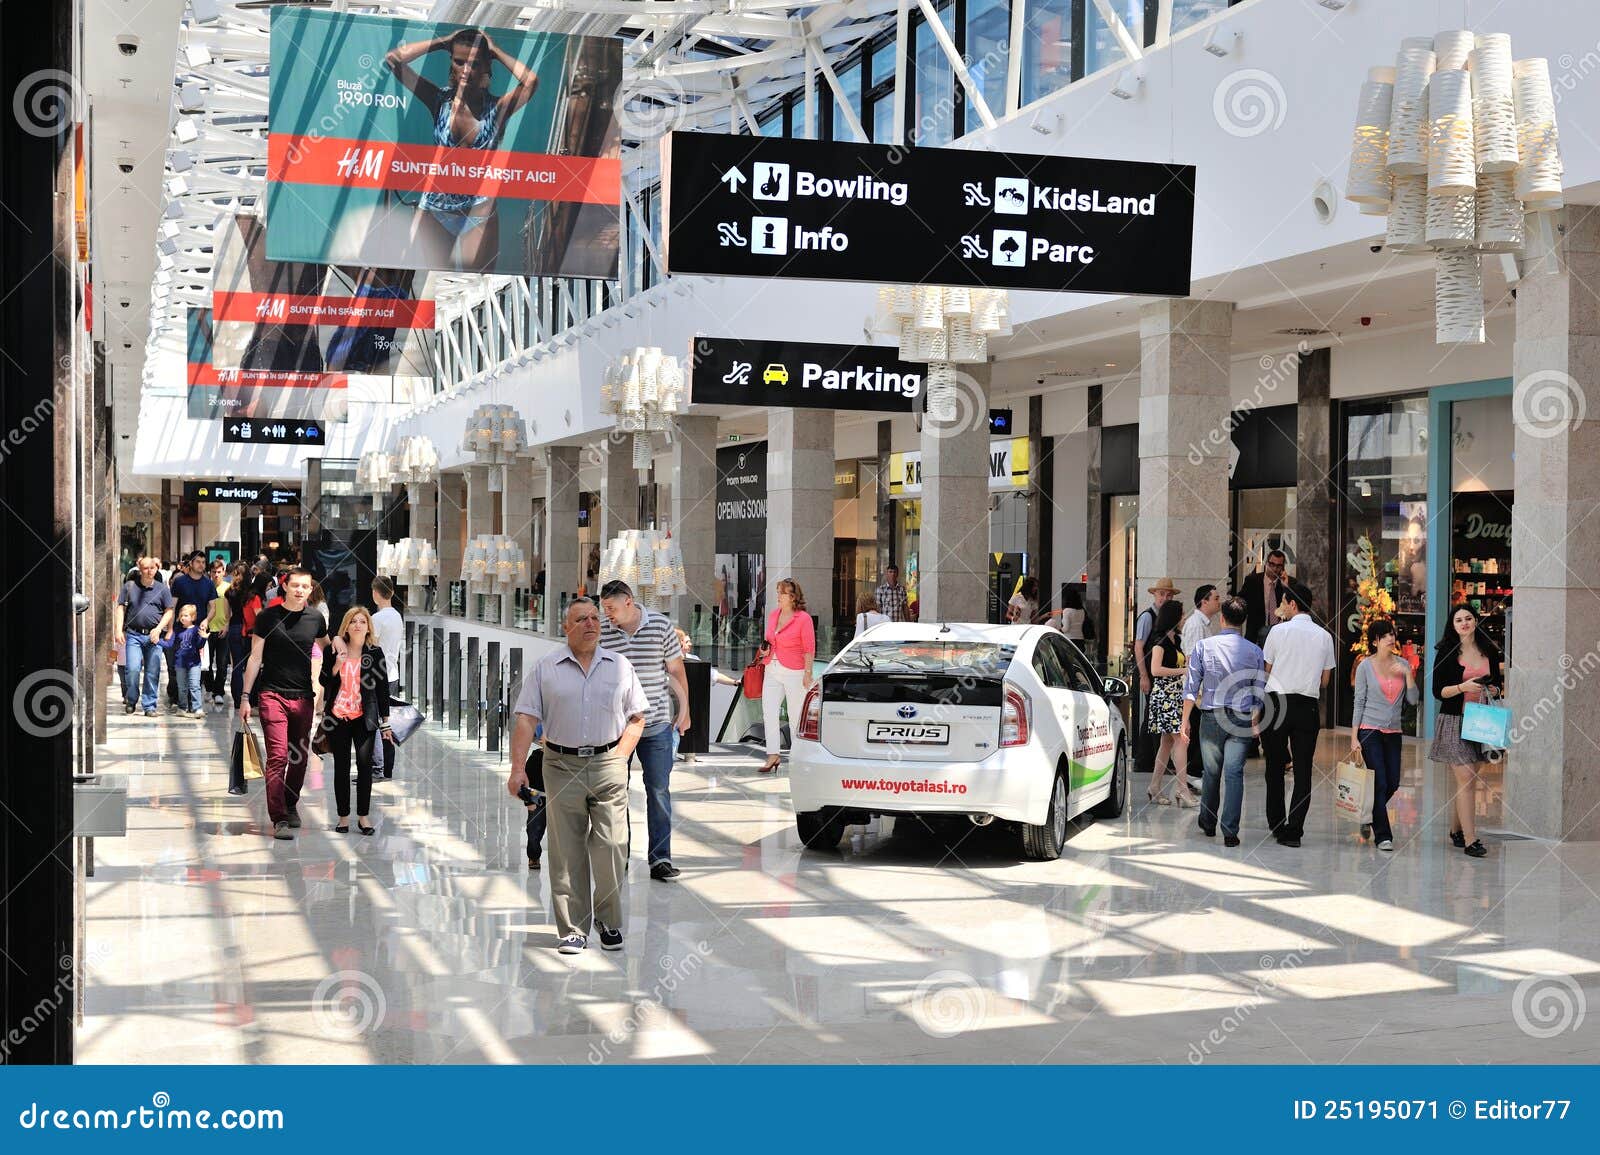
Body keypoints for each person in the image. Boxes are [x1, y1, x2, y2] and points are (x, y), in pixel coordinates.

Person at [506, 598, 648, 954]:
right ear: (565, 627)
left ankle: (608, 919)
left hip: (608, 764)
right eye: (581, 619)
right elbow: (525, 718)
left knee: (613, 845)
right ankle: (572, 928)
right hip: (560, 764)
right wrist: (518, 768)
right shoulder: (546, 668)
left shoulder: (620, 665)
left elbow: (637, 717)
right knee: (566, 849)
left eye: (595, 618)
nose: (590, 624)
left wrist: (620, 757)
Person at [599, 580, 692, 882]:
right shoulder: (601, 629)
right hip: (617, 728)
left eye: (611, 608)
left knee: (659, 791)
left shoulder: (661, 627)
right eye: (604, 609)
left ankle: (660, 859)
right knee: (616, 792)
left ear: (628, 602)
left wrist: (685, 711)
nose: (607, 614)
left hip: (657, 724)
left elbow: (677, 672)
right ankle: (619, 857)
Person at [238, 569, 334, 841]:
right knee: (279, 756)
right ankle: (278, 816)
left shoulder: (315, 618)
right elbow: (255, 659)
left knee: (300, 757)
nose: (300, 590)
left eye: (305, 586)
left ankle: (291, 803)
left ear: (311, 589)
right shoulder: (268, 617)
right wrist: (246, 697)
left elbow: (327, 648)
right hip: (272, 694)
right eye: (295, 585)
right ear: (285, 587)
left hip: (303, 696)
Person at [1179, 596, 1265, 847]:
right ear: (1244, 621)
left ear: (1222, 618)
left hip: (1211, 716)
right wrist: (1255, 719)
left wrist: (1185, 720)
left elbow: (1191, 687)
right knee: (1234, 773)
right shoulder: (1255, 651)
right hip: (1240, 718)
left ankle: (1208, 821)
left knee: (1212, 772)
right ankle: (1230, 831)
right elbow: (1258, 691)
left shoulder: (1204, 647)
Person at [1260, 580, 1336, 848]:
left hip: (1276, 704)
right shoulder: (1325, 637)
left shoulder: (1277, 633)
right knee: (1303, 770)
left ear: (1293, 604)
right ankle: (1295, 830)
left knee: (1274, 767)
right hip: (1307, 707)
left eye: (1283, 603)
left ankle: (1276, 823)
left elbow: (1266, 671)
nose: (1282, 608)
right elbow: (1325, 681)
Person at [1429, 604, 1502, 859]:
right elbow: (1438, 691)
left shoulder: (1489, 650)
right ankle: (1472, 841)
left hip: (1481, 721)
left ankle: (1456, 830)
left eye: (1468, 618)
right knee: (1468, 779)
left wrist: (1493, 691)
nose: (1464, 623)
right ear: (1453, 625)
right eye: (1458, 619)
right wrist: (1463, 687)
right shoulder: (1446, 652)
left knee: (1466, 781)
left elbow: (1496, 685)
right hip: (1454, 720)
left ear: (1475, 621)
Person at [316, 607, 391, 836]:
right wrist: (337, 665)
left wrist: (385, 723)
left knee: (365, 767)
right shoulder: (335, 649)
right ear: (346, 626)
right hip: (338, 717)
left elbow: (382, 688)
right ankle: (343, 817)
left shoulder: (375, 653)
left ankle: (364, 817)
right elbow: (323, 680)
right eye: (353, 621)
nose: (358, 625)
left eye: (362, 621)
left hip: (364, 717)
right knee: (341, 768)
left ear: (368, 626)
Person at [1351, 619, 1419, 853]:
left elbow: (1412, 700)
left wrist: (1408, 675)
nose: (1391, 638)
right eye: (1385, 635)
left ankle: (1367, 813)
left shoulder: (1402, 664)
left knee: (1392, 782)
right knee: (1379, 781)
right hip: (1370, 730)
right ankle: (1383, 836)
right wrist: (1353, 736)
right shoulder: (1364, 667)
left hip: (1394, 731)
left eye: (1392, 634)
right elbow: (1358, 702)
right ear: (1375, 641)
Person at [760, 578, 816, 774]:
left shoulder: (803, 619)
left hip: (795, 671)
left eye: (782, 593)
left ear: (792, 597)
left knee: (795, 717)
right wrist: (765, 650)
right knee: (769, 712)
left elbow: (809, 649)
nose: (779, 596)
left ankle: (797, 757)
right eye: (778, 592)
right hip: (772, 668)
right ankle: (773, 754)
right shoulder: (774, 615)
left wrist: (808, 673)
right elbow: (769, 640)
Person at [1145, 600, 1197, 807]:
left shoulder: (1175, 640)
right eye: (1182, 614)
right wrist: (1183, 670)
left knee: (1167, 743)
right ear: (1174, 617)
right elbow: (1155, 670)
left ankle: (1155, 786)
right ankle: (1182, 789)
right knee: (1181, 740)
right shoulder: (1159, 642)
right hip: (1165, 695)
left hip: (1174, 695)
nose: (1184, 618)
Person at [114, 557, 176, 717]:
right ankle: (131, 699)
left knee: (152, 671)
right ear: (139, 569)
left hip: (154, 636)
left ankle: (149, 705)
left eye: (152, 568)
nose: (149, 571)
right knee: (133, 669)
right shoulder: (129, 587)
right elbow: (120, 608)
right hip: (134, 634)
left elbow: (169, 611)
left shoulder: (163, 589)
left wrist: (160, 629)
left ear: (157, 569)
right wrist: (118, 629)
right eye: (146, 568)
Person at [1133, 578, 1180, 775]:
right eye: (1162, 594)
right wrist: (1144, 675)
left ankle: (1146, 760)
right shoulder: (1147, 617)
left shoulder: (1167, 618)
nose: (1165, 598)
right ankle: (1147, 760)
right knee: (1153, 718)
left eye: (1168, 595)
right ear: (1155, 595)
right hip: (1150, 671)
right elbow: (1138, 646)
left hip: (1158, 673)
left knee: (1151, 717)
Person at [1181, 584, 1221, 783]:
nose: (1218, 601)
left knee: (1201, 731)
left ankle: (1195, 772)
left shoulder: (1204, 624)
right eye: (1215, 598)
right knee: (1198, 731)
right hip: (1198, 689)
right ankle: (1192, 773)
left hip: (1205, 687)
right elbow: (1192, 659)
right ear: (1204, 601)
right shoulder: (1196, 624)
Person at [169, 552, 218, 710]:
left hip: (200, 631)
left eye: (203, 562)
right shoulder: (180, 582)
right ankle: (178, 699)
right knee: (178, 665)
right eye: (198, 562)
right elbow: (173, 606)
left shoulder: (208, 583)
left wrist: (206, 620)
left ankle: (194, 701)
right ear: (191, 563)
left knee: (201, 666)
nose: (201, 565)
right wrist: (170, 628)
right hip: (181, 631)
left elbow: (213, 607)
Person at [370, 577, 406, 779]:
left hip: (377, 676)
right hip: (392, 673)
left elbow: (371, 646)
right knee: (386, 721)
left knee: (373, 722)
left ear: (375, 593)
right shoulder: (396, 616)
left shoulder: (377, 618)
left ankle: (377, 766)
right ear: (391, 592)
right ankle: (387, 767)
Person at [227, 570, 270, 709]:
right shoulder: (254, 597)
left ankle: (238, 701)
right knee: (253, 666)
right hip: (251, 634)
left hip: (240, 630)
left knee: (238, 668)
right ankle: (251, 700)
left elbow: (229, 613)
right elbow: (260, 617)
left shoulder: (239, 594)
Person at [162, 603, 210, 718]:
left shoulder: (196, 629)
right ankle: (182, 707)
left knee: (194, 686)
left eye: (187, 615)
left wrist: (203, 638)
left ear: (193, 617)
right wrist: (158, 641)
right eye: (182, 615)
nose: (183, 617)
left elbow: (199, 646)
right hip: (180, 664)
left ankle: (197, 708)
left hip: (194, 663)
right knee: (182, 687)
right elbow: (170, 644)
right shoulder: (177, 630)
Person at [206, 561, 238, 706]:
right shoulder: (206, 586)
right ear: (210, 572)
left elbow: (232, 609)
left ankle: (218, 691)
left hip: (223, 629)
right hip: (207, 630)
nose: (216, 574)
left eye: (219, 572)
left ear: (224, 572)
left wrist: (227, 625)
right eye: (213, 571)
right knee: (206, 663)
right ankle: (209, 688)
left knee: (222, 663)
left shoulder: (228, 588)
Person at [1240, 550, 1289, 646]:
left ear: (1283, 567)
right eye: (1272, 564)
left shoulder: (1287, 583)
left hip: (1280, 637)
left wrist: (1286, 588)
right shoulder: (1252, 581)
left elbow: (1291, 606)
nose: (1274, 569)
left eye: (1278, 566)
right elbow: (1241, 602)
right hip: (1256, 637)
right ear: (1266, 563)